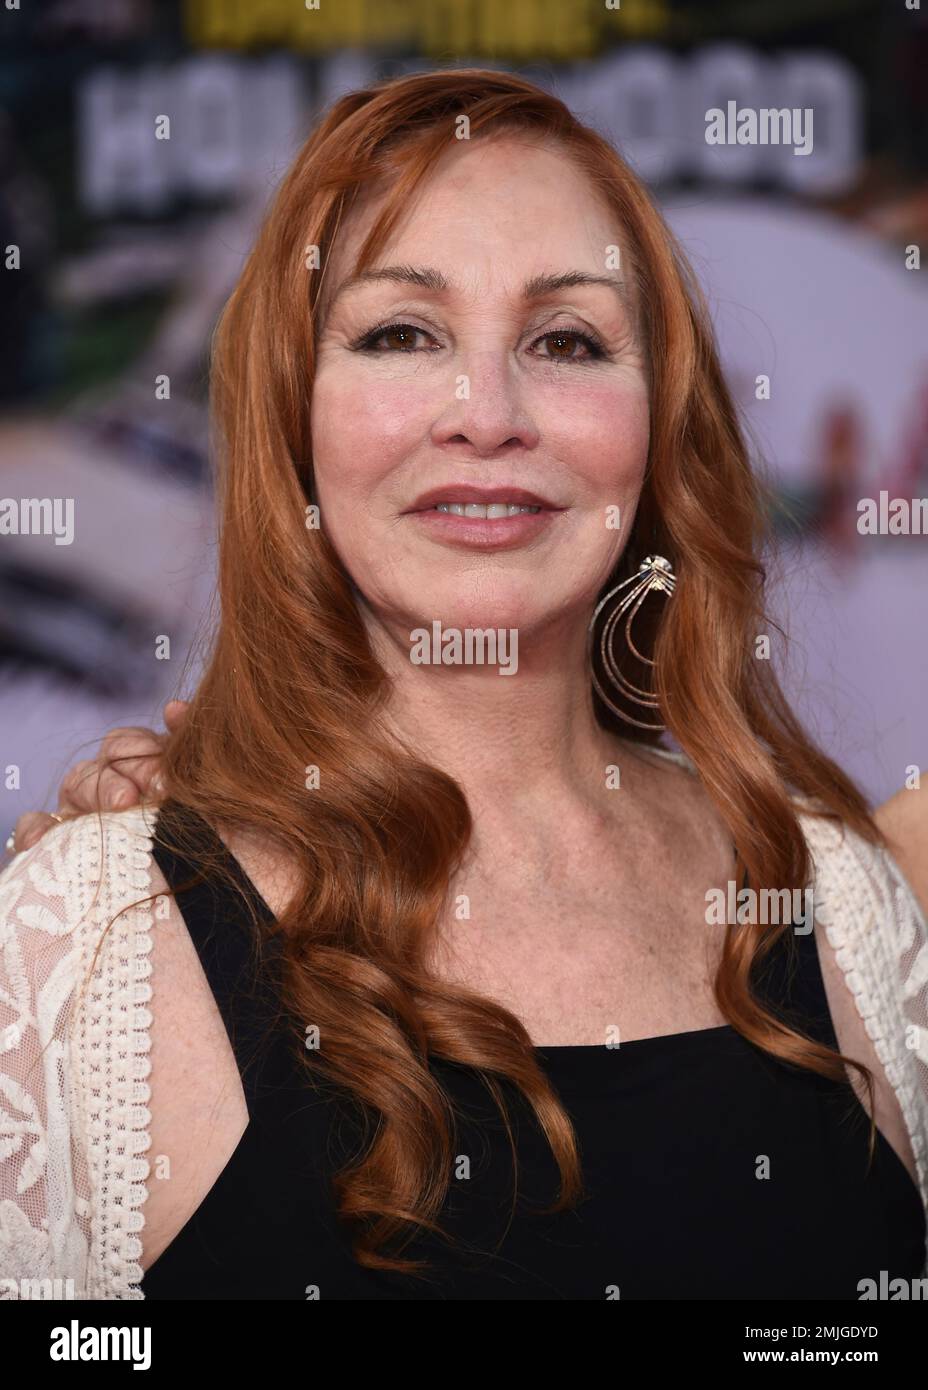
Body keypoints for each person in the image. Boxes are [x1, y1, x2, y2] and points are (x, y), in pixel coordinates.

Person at [1, 68, 926, 1302]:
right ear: (292, 423)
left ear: (656, 425)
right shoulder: (90, 940)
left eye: (566, 340)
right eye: (401, 333)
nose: (486, 413)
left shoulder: (846, 909)